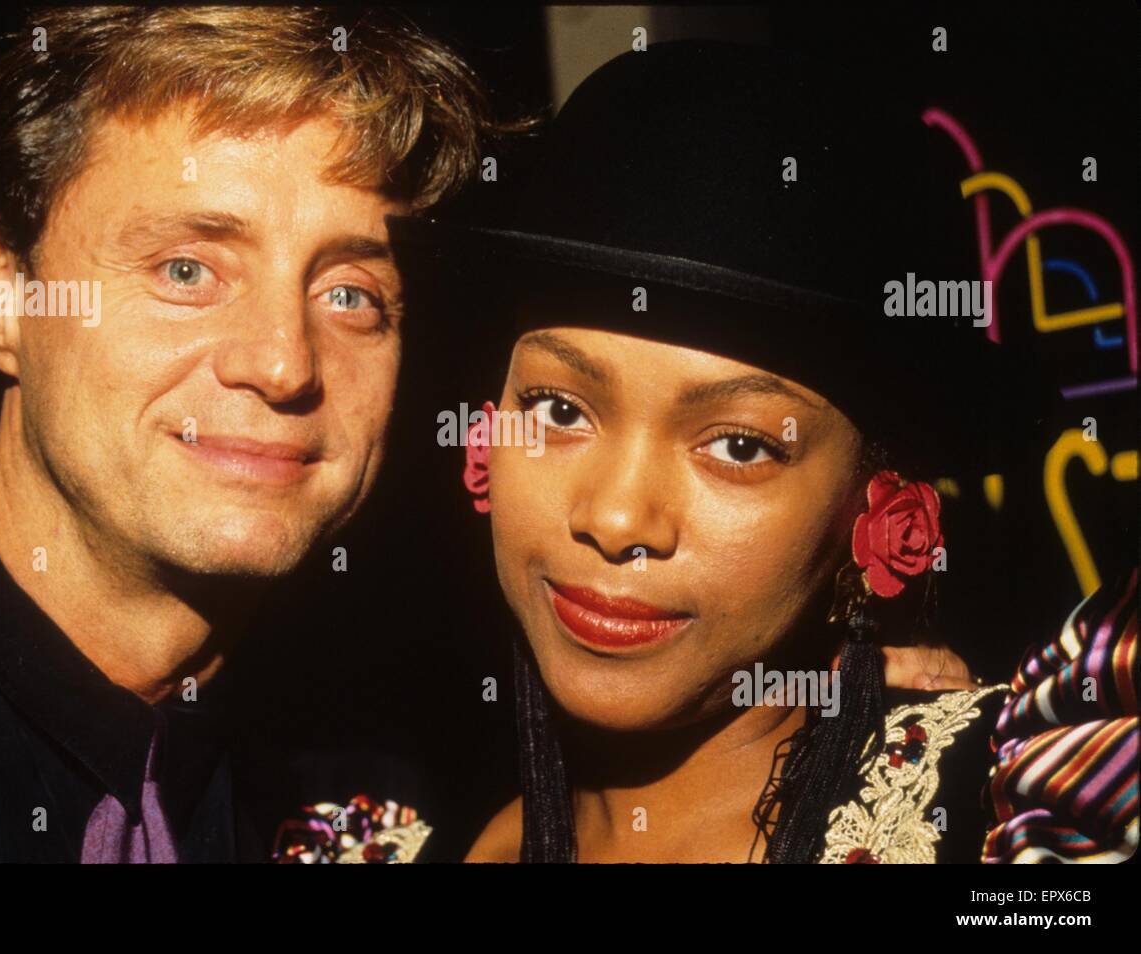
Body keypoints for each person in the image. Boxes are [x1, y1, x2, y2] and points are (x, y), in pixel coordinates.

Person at [383, 40, 1138, 863]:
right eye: (560, 407)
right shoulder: (389, 842)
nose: (615, 516)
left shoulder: (1024, 810)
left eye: (739, 445)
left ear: (877, 510)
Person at [0, 6, 499, 863]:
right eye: (186, 269)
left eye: (349, 293)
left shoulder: (416, 797)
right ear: (5, 293)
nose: (283, 364)